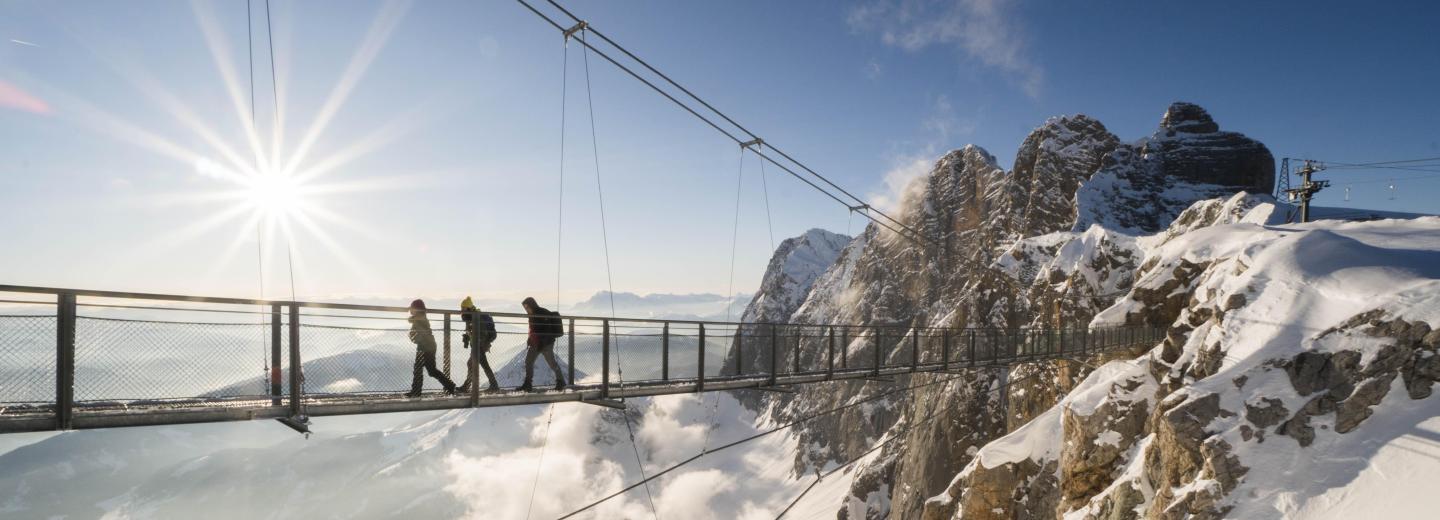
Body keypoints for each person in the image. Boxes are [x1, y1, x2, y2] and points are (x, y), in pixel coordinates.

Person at [406, 299, 457, 397]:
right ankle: (450, 385)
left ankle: (416, 392)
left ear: (416, 309)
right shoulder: (420, 317)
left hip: (424, 346)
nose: (411, 310)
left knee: (419, 369)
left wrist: (413, 335)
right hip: (429, 345)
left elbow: (418, 330)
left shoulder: (419, 318)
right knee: (431, 370)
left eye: (412, 308)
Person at [519, 296, 566, 392]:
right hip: (536, 343)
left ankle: (561, 382)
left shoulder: (541, 313)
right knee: (528, 362)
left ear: (532, 305)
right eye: (525, 307)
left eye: (527, 307)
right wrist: (530, 339)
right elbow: (533, 329)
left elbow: (546, 330)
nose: (526, 309)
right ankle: (528, 384)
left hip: (546, 344)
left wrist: (541, 343)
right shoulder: (532, 315)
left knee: (552, 363)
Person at [457, 296, 500, 393]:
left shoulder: (476, 316)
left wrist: (479, 344)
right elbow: (472, 331)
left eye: (463, 308)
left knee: (474, 364)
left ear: (468, 308)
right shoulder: (470, 317)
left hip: (479, 345)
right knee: (481, 365)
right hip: (477, 345)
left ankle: (468, 387)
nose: (461, 311)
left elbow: (481, 332)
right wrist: (467, 337)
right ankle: (493, 385)